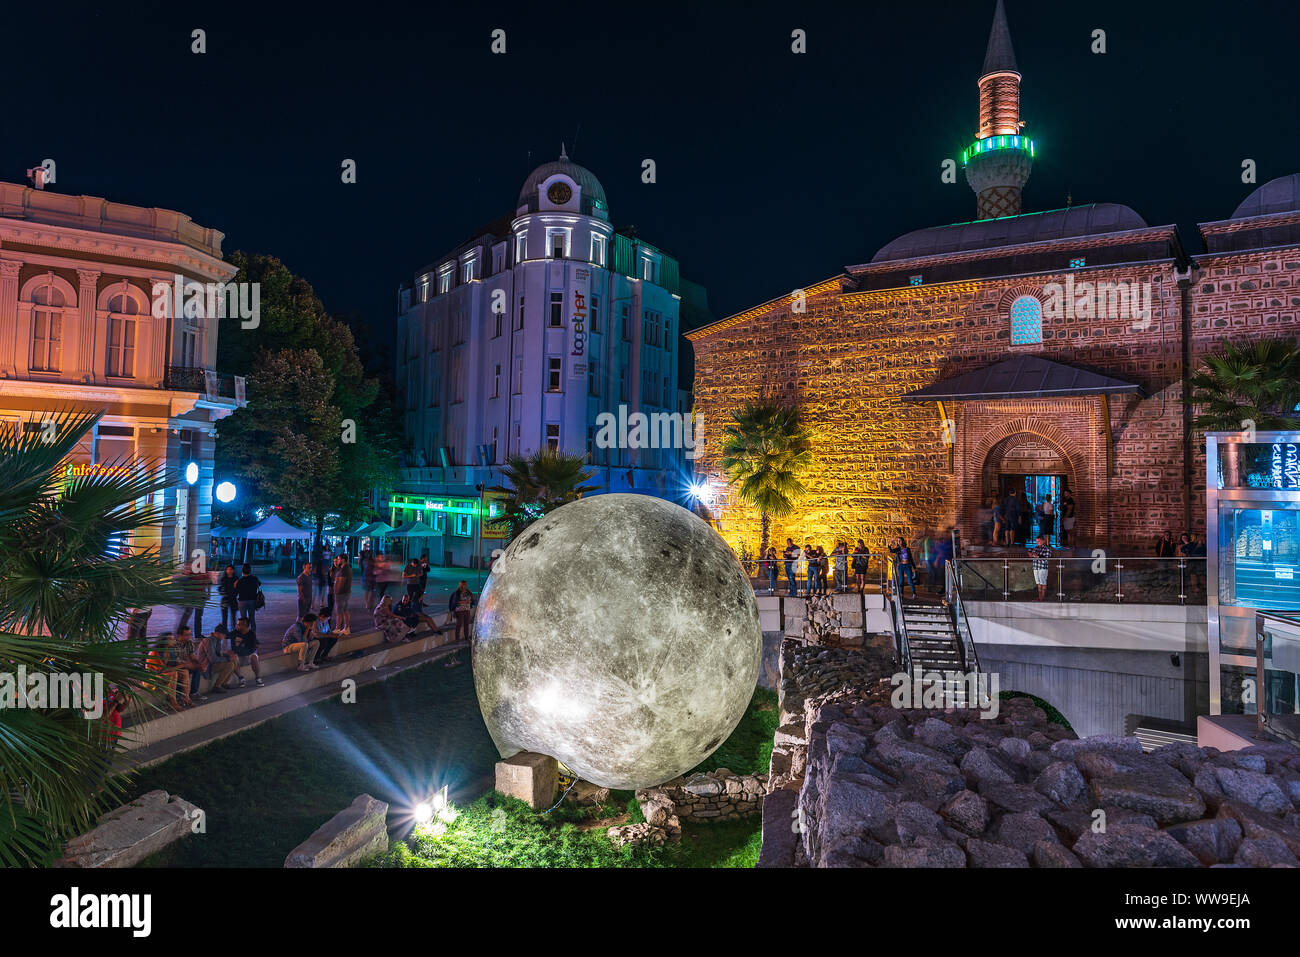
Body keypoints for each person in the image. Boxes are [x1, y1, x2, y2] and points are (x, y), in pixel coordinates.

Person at [194, 624, 237, 695]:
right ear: (217, 633)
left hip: (213, 664)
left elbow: (219, 654)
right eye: (223, 635)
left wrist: (228, 656)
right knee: (230, 664)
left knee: (234, 659)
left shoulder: (217, 640)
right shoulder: (208, 641)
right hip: (207, 667)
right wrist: (228, 659)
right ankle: (217, 686)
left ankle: (224, 683)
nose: (224, 637)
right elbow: (213, 659)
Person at [231, 616, 264, 687]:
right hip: (239, 655)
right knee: (232, 657)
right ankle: (241, 678)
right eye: (237, 624)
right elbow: (226, 636)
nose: (237, 626)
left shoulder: (251, 634)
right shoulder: (235, 633)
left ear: (244, 626)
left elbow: (253, 648)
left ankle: (258, 678)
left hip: (248, 655)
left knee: (254, 657)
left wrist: (246, 654)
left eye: (239, 625)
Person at [234, 563, 261, 628]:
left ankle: (245, 634)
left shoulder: (240, 580)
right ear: (250, 570)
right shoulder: (254, 579)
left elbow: (236, 590)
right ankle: (253, 634)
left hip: (242, 601)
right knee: (252, 618)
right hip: (252, 600)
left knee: (243, 619)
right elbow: (259, 584)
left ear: (242, 571)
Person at [333, 554, 353, 634]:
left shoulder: (344, 569)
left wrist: (336, 592)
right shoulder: (345, 568)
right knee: (345, 610)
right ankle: (346, 628)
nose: (337, 561)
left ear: (343, 560)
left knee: (339, 612)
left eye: (338, 559)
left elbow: (341, 582)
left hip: (341, 594)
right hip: (345, 593)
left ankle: (338, 628)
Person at [1030, 533, 1052, 601]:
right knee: (1038, 583)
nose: (1037, 543)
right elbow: (1033, 556)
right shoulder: (1035, 548)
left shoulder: (1047, 549)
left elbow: (1047, 558)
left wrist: (1037, 556)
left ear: (1043, 541)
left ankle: (1043, 597)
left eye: (1039, 541)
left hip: (1043, 567)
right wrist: (1031, 555)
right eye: (1036, 542)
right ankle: (1039, 597)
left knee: (1043, 582)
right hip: (1035, 567)